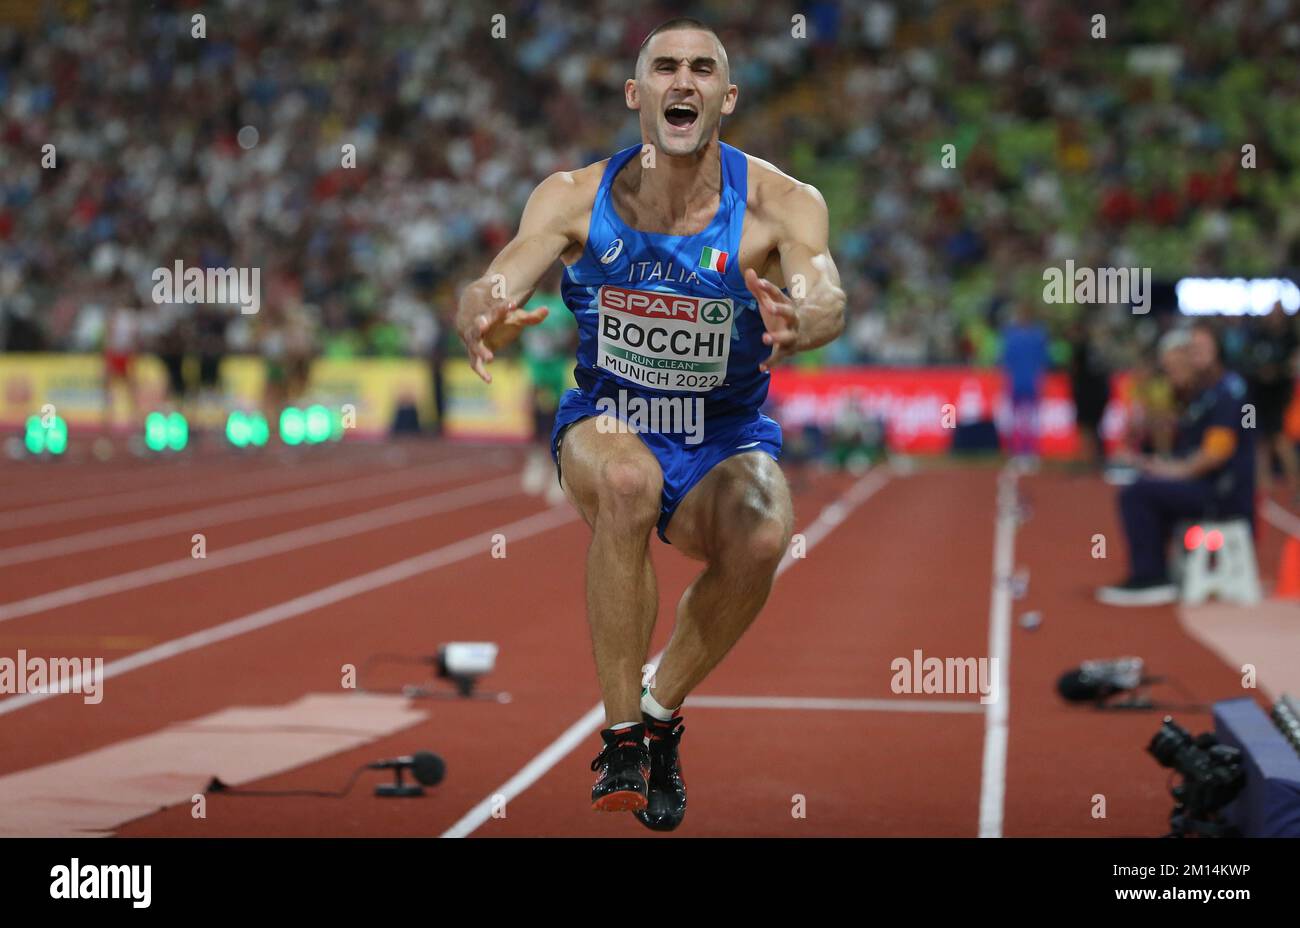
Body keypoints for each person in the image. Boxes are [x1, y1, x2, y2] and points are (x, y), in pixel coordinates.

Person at [455, 17, 845, 830]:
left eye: (703, 69)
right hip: (610, 417)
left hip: (725, 434)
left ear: (726, 97)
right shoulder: (572, 196)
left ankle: (660, 712)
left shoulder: (779, 203)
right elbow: (504, 272)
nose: (683, 81)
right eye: (665, 67)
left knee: (765, 537)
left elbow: (822, 285)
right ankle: (623, 739)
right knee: (630, 482)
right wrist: (481, 306)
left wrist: (809, 319)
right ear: (637, 94)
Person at [1097, 327, 1255, 606]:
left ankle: (1150, 577)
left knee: (1137, 494)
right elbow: (1185, 444)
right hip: (1211, 485)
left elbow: (1214, 454)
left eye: (1199, 350)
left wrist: (1172, 471)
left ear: (1217, 351)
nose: (1192, 358)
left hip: (1224, 494)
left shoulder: (1228, 393)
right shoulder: (1203, 394)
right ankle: (1158, 571)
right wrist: (1156, 463)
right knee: (1148, 486)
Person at [1243, 302, 1299, 497]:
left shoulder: (1290, 338)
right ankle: (1263, 491)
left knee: (1281, 440)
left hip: (1279, 396)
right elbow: (1246, 360)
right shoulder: (1258, 335)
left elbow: (1293, 365)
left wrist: (1277, 372)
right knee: (1258, 442)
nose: (1274, 316)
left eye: (1278, 313)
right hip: (1255, 397)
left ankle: (1295, 487)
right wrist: (1260, 372)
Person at [999, 303, 1050, 462]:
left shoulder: (1038, 335)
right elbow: (1005, 361)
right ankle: (1017, 449)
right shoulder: (1011, 335)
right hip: (1016, 383)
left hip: (1032, 382)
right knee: (1015, 419)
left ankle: (1031, 450)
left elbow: (1044, 360)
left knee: (1031, 419)